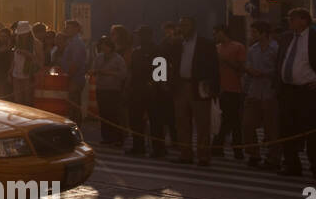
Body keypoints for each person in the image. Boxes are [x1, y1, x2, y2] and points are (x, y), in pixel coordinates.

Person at [275, 8, 316, 179]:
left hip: (310, 91)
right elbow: (280, 61)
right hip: (288, 90)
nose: (289, 22)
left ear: (303, 20)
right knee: (287, 129)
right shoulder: (285, 38)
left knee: (313, 130)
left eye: (292, 19)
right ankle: (292, 164)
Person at [165, 16, 219, 165]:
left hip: (199, 86)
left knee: (202, 123)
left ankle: (203, 156)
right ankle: (185, 154)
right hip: (180, 86)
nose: (182, 28)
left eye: (186, 25)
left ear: (193, 26)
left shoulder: (205, 44)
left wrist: (214, 89)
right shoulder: (177, 44)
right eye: (181, 25)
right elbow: (165, 61)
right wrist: (165, 82)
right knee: (181, 122)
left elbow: (214, 67)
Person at [241, 20, 280, 170]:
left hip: (270, 92)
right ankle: (253, 153)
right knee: (247, 124)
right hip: (254, 92)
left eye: (255, 32)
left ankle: (273, 157)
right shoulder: (253, 49)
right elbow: (248, 68)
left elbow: (279, 71)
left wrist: (264, 74)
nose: (252, 35)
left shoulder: (276, 49)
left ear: (264, 33)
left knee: (272, 128)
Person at [127, 25, 166, 157]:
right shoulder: (136, 51)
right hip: (137, 90)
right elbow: (132, 71)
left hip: (153, 91)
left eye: (140, 35)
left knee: (156, 121)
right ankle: (138, 146)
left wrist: (153, 85)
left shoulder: (158, 50)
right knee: (136, 120)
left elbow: (161, 73)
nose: (138, 37)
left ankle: (159, 149)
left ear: (147, 36)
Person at [212, 24, 247, 160]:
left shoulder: (238, 47)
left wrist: (225, 61)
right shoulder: (216, 48)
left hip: (234, 89)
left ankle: (235, 149)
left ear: (223, 33)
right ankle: (218, 146)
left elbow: (241, 68)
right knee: (222, 120)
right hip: (220, 90)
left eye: (216, 33)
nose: (214, 36)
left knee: (234, 121)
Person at [89, 36, 127, 146]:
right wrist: (93, 72)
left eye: (105, 45)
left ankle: (118, 138)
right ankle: (107, 137)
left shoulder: (118, 59)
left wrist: (109, 72)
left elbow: (123, 74)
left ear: (111, 47)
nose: (103, 48)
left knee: (113, 114)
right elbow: (93, 69)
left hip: (113, 89)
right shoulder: (99, 57)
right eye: (102, 45)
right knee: (103, 113)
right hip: (101, 88)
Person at [60, 20, 88, 125]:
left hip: (75, 78)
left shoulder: (77, 43)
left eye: (69, 27)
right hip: (73, 77)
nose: (66, 29)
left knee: (74, 105)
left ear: (76, 29)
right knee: (73, 104)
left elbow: (75, 63)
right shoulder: (71, 42)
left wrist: (68, 76)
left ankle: (76, 127)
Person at [9, 22, 38, 105]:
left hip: (28, 73)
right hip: (16, 73)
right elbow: (14, 60)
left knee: (27, 97)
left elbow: (38, 59)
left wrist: (26, 53)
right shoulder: (17, 43)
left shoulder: (35, 44)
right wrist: (10, 72)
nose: (22, 36)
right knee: (18, 98)